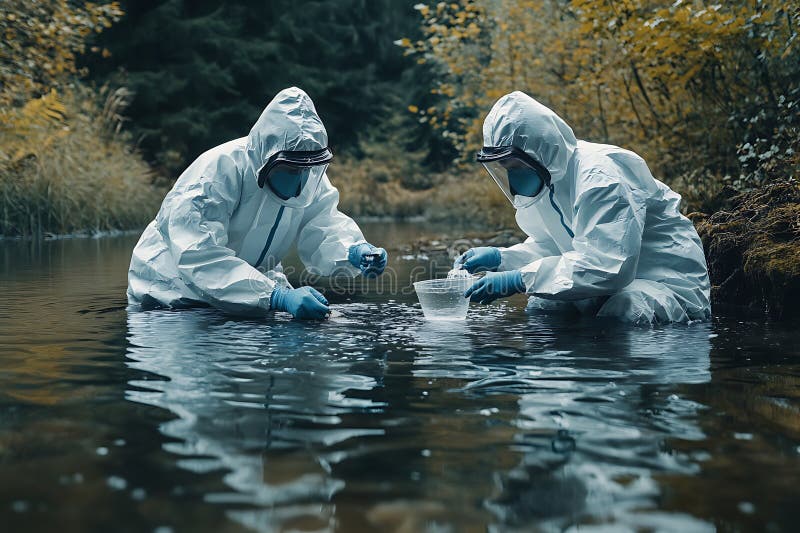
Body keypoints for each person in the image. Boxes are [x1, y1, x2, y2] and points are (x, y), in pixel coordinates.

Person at [127, 87, 387, 320]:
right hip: (170, 297)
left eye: (305, 169)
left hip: (249, 287)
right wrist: (277, 297)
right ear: (267, 159)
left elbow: (323, 222)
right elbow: (199, 255)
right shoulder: (217, 172)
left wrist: (354, 250)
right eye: (290, 168)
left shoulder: (305, 169)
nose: (299, 178)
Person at [455, 91, 710, 324]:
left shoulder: (600, 177)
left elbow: (608, 266)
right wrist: (503, 259)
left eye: (516, 166)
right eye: (506, 168)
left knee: (626, 311)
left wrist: (518, 279)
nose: (512, 178)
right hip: (609, 285)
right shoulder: (550, 180)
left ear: (538, 151)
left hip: (663, 284)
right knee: (543, 305)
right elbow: (557, 249)